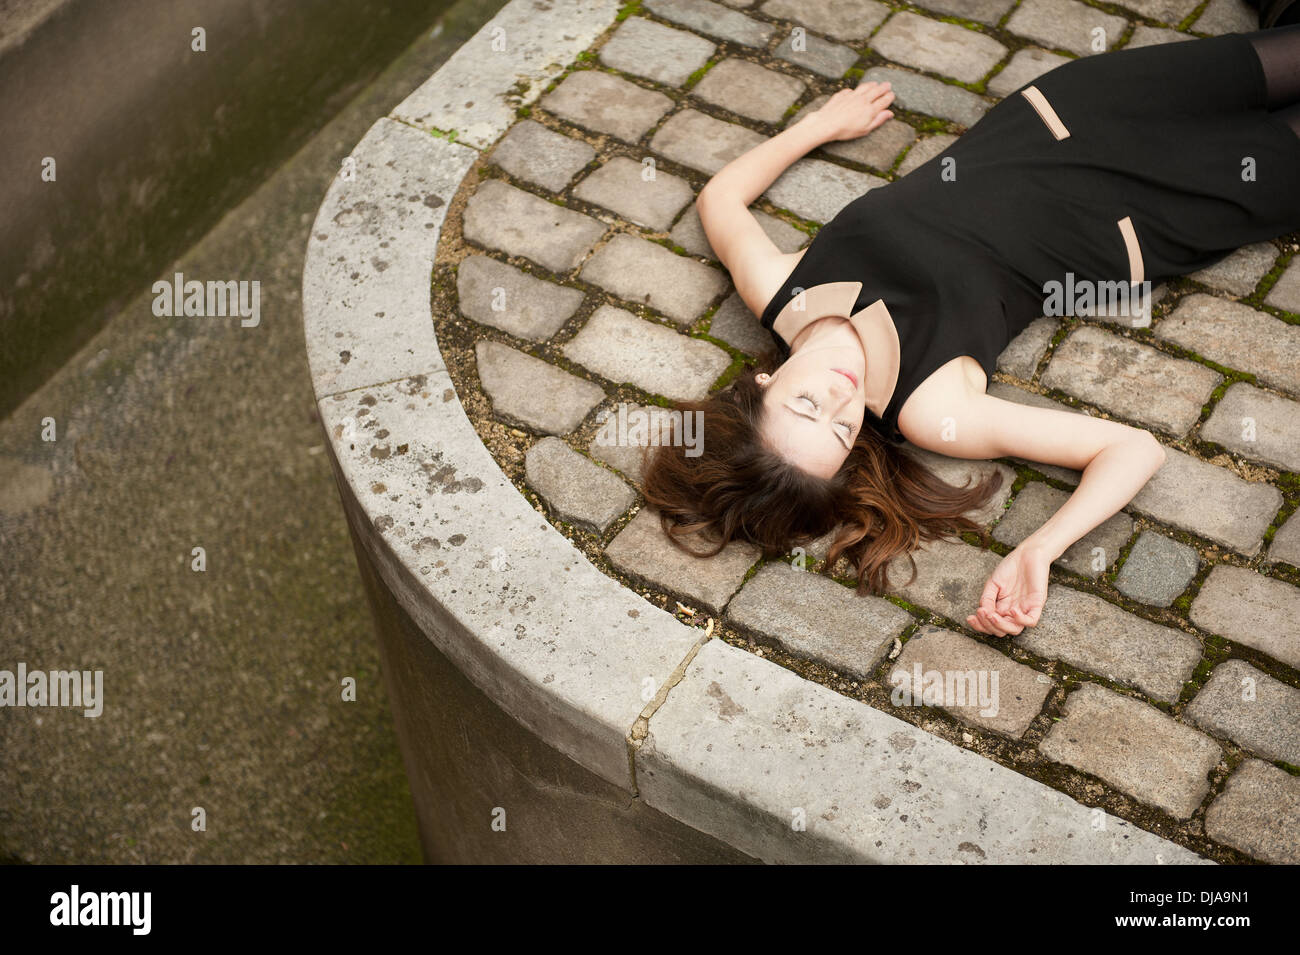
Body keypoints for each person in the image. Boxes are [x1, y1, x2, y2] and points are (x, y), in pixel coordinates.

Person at [641, 25, 1300, 637]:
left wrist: (818, 126)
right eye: (840, 431)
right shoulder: (929, 406)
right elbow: (1132, 450)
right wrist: (1040, 548)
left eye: (805, 405)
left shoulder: (782, 293)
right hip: (1150, 212)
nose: (841, 400)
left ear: (762, 381)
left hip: (1071, 113)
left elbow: (719, 200)